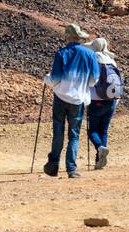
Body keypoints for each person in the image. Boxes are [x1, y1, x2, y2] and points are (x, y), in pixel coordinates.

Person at [43, 23, 99, 179]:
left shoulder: (61, 53)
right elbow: (94, 80)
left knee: (58, 132)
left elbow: (55, 79)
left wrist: (46, 79)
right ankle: (71, 169)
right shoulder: (90, 55)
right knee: (74, 135)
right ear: (79, 38)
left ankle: (53, 165)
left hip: (60, 98)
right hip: (78, 100)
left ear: (67, 37)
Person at [87, 37, 124, 169]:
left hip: (95, 100)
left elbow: (90, 80)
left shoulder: (93, 60)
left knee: (92, 131)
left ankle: (100, 148)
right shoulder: (112, 62)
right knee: (103, 130)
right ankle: (100, 159)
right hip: (111, 100)